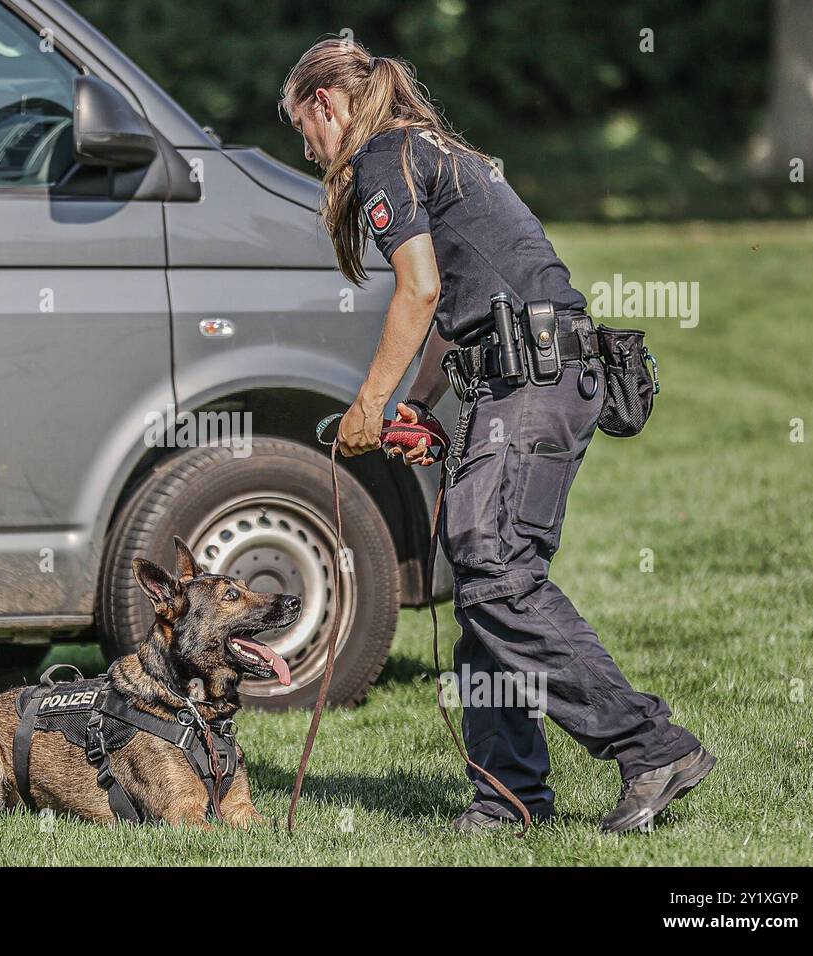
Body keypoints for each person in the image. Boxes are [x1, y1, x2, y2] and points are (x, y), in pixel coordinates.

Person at [280, 38, 714, 833]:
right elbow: (458, 309)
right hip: (540, 373)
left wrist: (369, 406)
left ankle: (651, 747)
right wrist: (416, 402)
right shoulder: (431, 150)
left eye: (300, 128)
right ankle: (509, 798)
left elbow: (420, 288)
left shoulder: (382, 155)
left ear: (324, 105)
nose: (306, 148)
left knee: (496, 572)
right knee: (488, 587)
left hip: (535, 380)